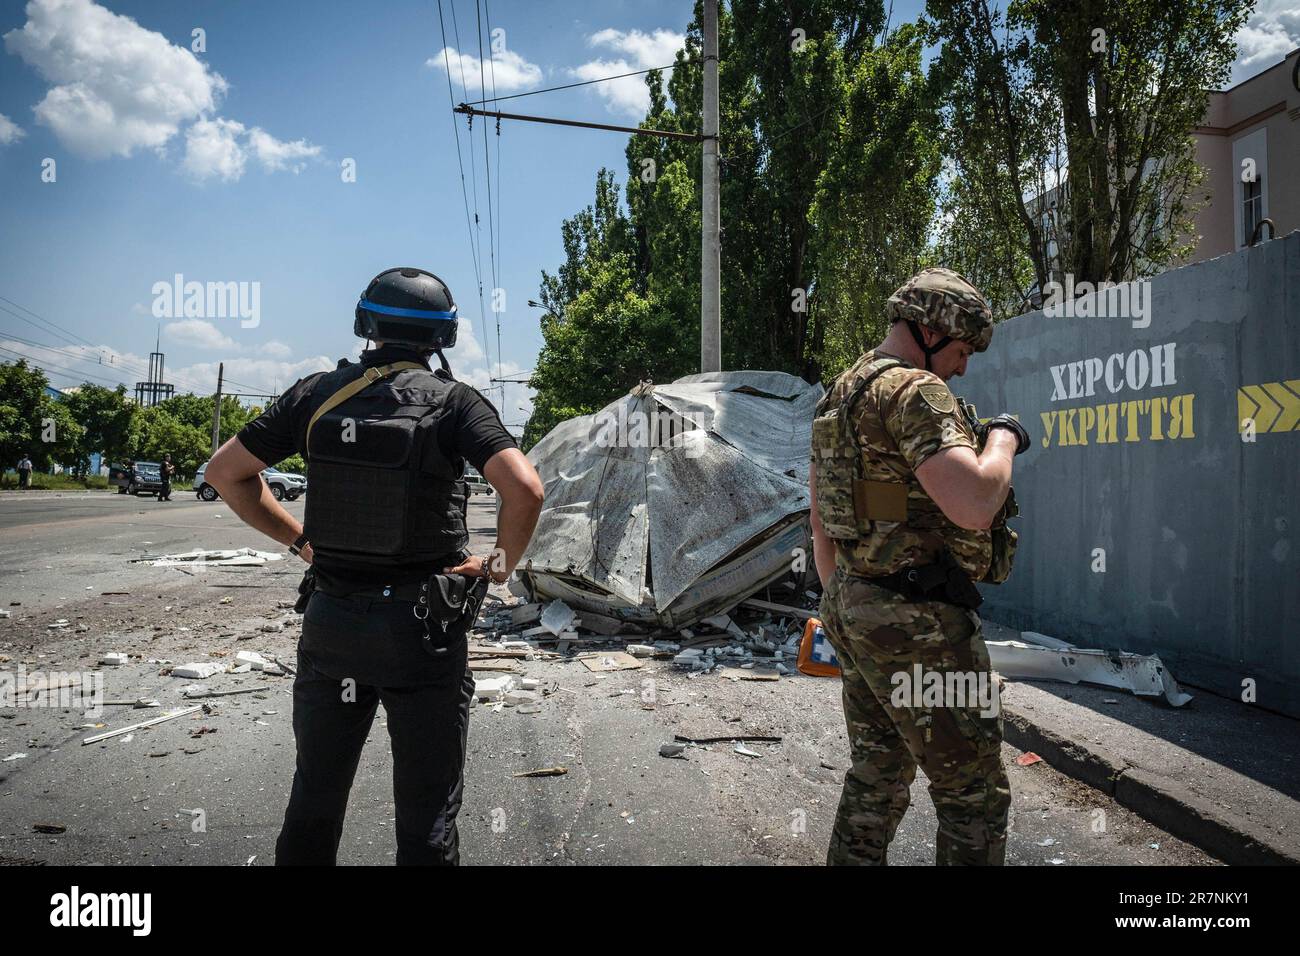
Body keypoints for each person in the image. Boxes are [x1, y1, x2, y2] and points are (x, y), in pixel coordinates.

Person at [205, 267, 543, 865]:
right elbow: (525, 490)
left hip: (332, 626)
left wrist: (299, 541)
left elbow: (224, 473)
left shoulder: (314, 395)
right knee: (427, 814)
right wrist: (495, 567)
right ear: (444, 336)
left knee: (314, 799)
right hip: (422, 635)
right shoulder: (457, 402)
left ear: (365, 323)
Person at [809, 267, 1030, 866]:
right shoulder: (915, 392)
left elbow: (822, 519)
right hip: (920, 623)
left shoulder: (841, 393)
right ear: (931, 332)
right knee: (973, 793)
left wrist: (850, 604)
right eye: (961, 351)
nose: (962, 367)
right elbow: (975, 503)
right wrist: (1004, 438)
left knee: (877, 775)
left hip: (852, 602)